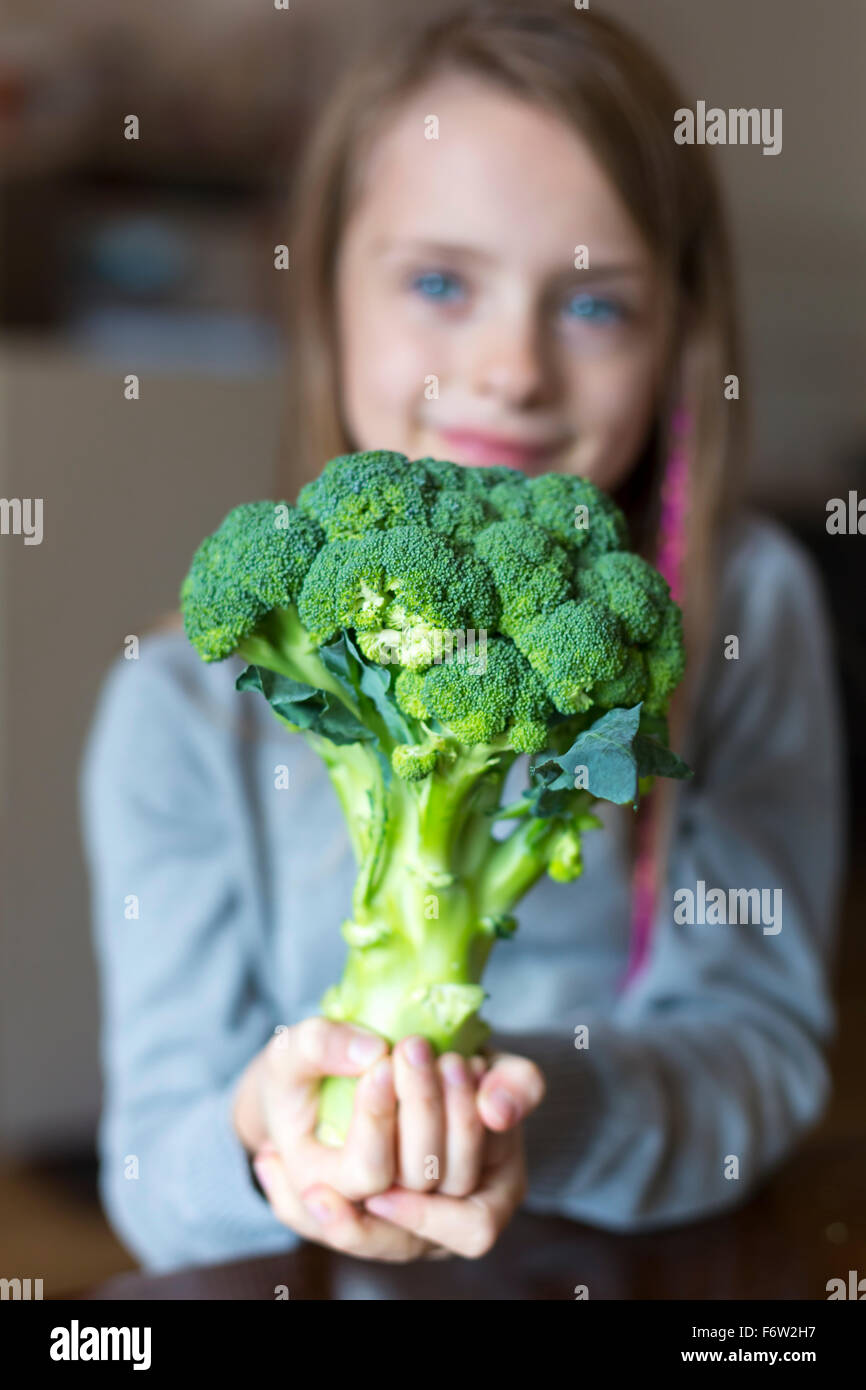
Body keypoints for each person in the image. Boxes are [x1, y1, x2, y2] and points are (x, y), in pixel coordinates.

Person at [80, 3, 845, 1273]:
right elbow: (152, 1176)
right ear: (323, 294)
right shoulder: (182, 701)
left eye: (593, 304)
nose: (509, 368)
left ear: (677, 331)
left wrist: (525, 1111)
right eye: (438, 282)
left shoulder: (736, 614)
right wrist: (269, 1138)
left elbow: (757, 1058)